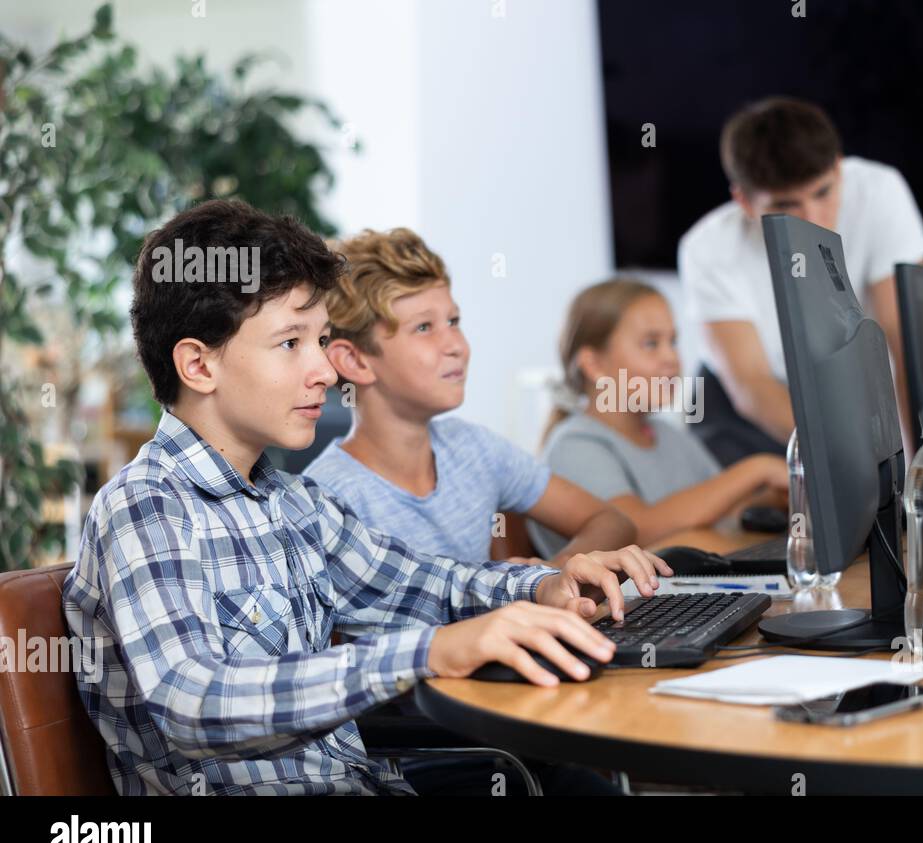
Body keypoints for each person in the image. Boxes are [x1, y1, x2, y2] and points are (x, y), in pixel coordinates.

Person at [62, 199, 669, 796]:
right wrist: (431, 651)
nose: (325, 370)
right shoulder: (146, 507)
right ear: (198, 365)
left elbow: (423, 584)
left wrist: (546, 586)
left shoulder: (293, 503)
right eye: (290, 343)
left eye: (322, 340)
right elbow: (194, 704)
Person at [303, 227, 635, 565]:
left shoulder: (475, 450)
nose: (457, 346)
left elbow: (612, 522)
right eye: (424, 327)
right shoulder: (328, 500)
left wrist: (549, 578)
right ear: (355, 361)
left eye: (454, 321)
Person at [678, 96, 923, 463]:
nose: (811, 217)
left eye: (823, 192)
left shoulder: (880, 192)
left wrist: (920, 469)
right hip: (749, 411)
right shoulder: (706, 247)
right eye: (785, 205)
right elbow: (751, 386)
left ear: (839, 169)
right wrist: (851, 462)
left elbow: (906, 343)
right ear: (745, 202)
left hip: (853, 391)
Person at [530, 279, 788, 557]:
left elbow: (723, 510)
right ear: (593, 364)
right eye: (651, 343)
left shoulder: (669, 435)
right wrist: (758, 469)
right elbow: (633, 529)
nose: (671, 357)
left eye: (673, 341)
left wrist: (778, 497)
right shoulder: (575, 446)